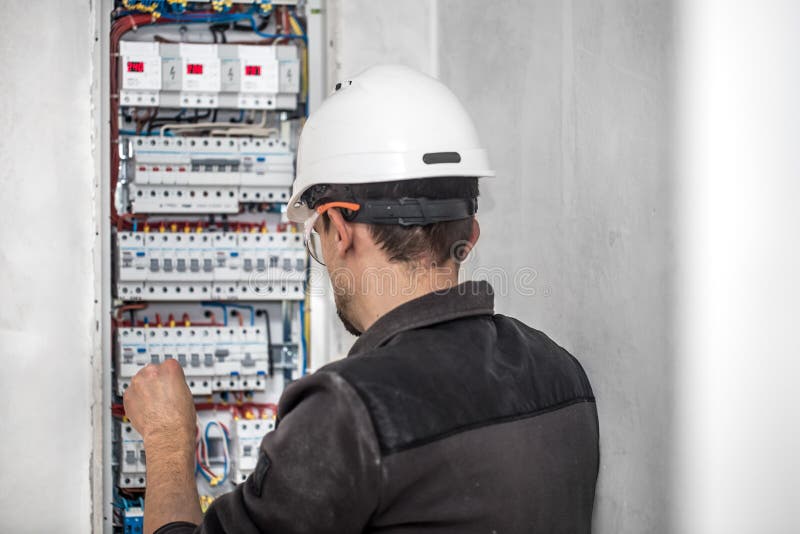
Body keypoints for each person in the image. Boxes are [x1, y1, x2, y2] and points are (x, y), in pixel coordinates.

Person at [124, 64, 599, 534]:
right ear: (470, 234)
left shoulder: (347, 412)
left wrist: (167, 440)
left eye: (317, 236)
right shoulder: (558, 372)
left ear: (340, 229)